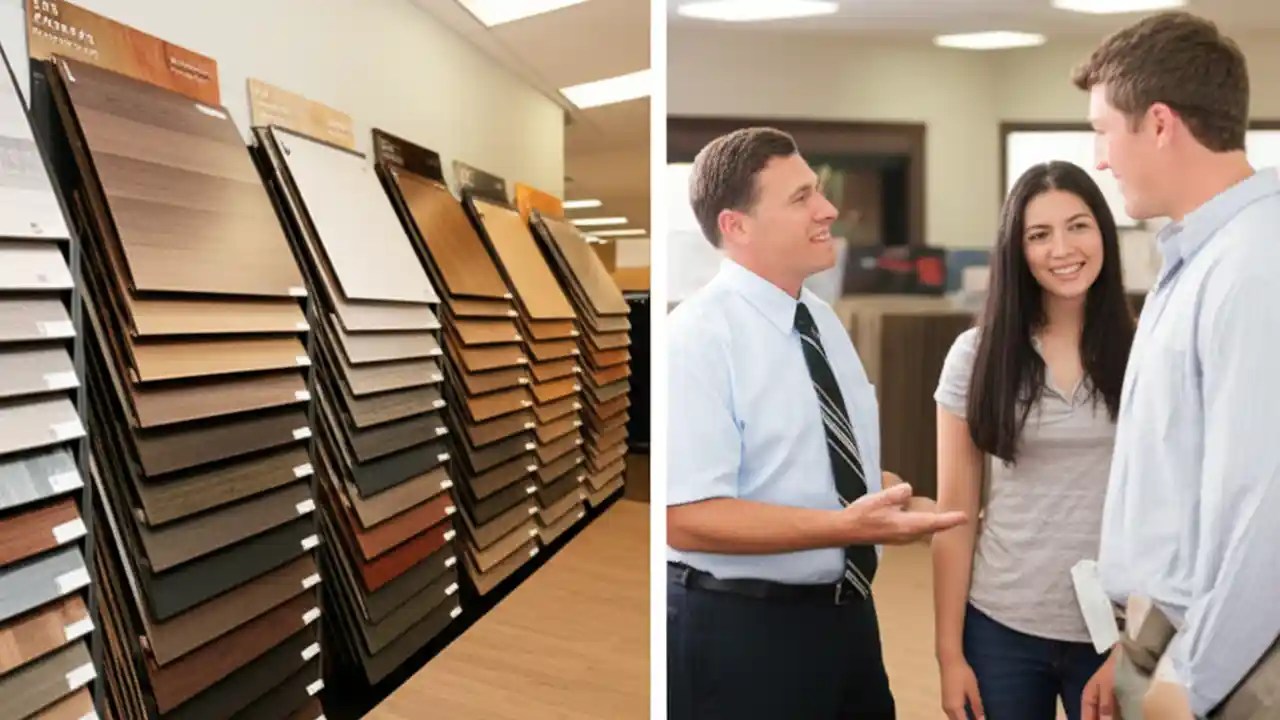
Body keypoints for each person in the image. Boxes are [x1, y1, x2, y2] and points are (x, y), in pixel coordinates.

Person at [665, 126, 967, 720]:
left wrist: (889, 497)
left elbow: (811, 461)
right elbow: (687, 518)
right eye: (801, 197)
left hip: (845, 619)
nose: (828, 209)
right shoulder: (696, 339)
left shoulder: (821, 321)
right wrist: (846, 524)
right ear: (737, 226)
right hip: (742, 634)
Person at [1073, 11, 1280, 719]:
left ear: (1159, 123)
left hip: (1227, 665)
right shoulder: (1195, 258)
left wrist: (1190, 681)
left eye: (1105, 131)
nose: (1101, 158)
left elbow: (1266, 509)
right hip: (1165, 641)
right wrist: (1133, 648)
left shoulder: (1257, 264)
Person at [932, 161, 1136, 720]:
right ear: (1015, 249)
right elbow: (953, 515)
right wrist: (949, 654)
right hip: (1000, 624)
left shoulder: (1146, 351)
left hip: (1114, 630)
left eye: (1078, 226)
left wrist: (1133, 643)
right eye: (1038, 234)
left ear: (1103, 233)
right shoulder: (976, 357)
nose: (1062, 248)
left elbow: (1166, 514)